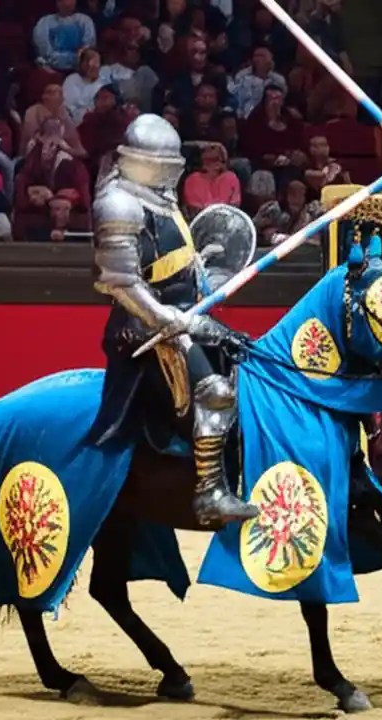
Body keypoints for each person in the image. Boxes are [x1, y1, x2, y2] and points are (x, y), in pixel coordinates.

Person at [86, 113, 260, 527]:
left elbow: (170, 263)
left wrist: (205, 267)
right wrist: (171, 320)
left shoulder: (158, 198)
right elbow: (123, 283)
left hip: (185, 314)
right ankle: (210, 494)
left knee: (248, 361)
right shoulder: (118, 203)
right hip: (144, 326)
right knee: (215, 391)